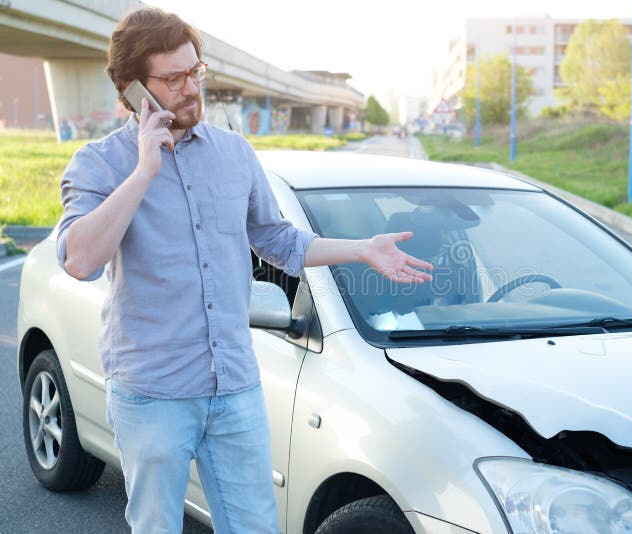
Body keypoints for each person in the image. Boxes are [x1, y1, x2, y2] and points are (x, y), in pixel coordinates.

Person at [56, 7, 432, 533]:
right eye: (172, 78)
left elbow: (277, 239)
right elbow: (80, 259)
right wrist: (145, 169)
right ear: (131, 89)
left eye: (196, 71)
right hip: (152, 392)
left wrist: (362, 249)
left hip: (234, 387)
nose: (191, 89)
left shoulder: (233, 153)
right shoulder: (99, 164)